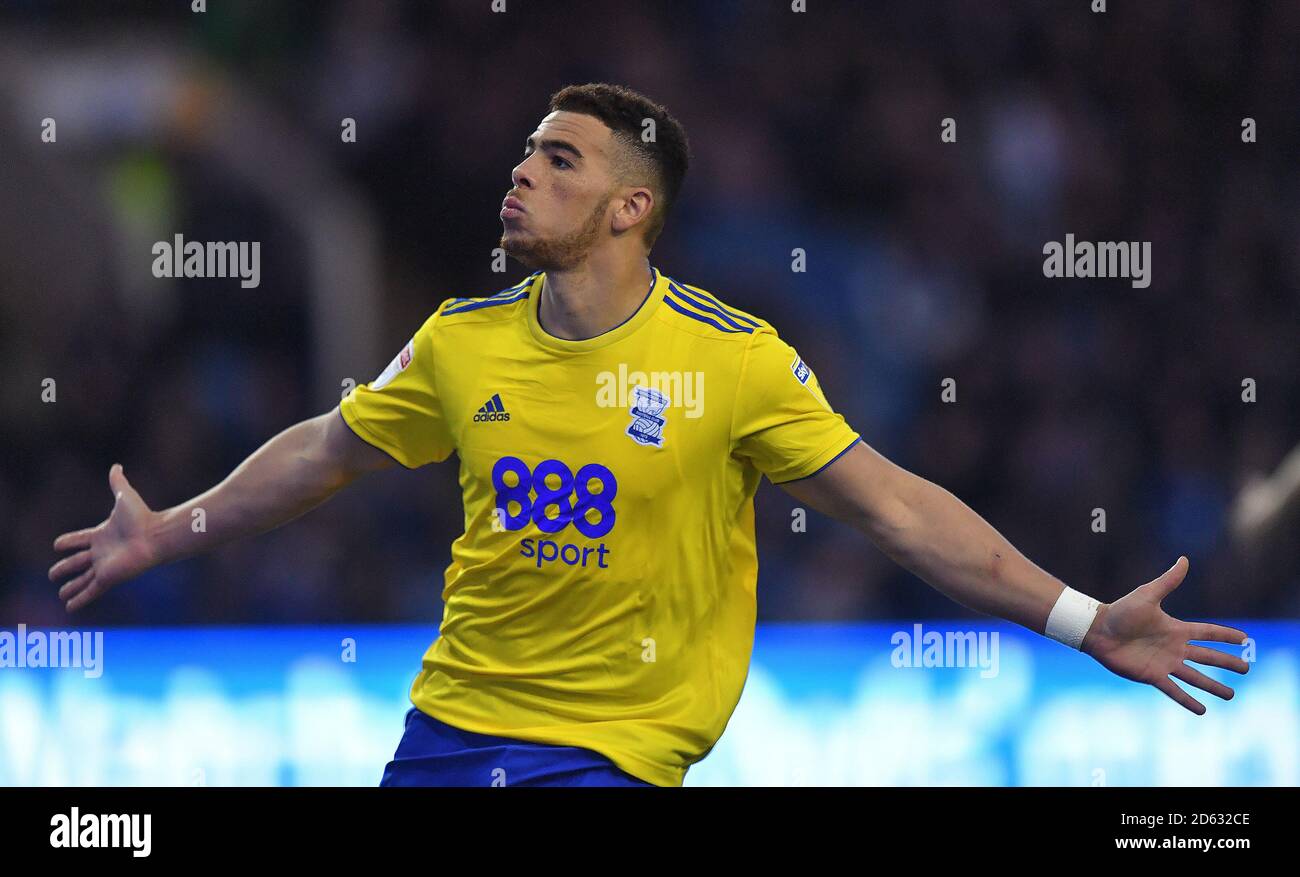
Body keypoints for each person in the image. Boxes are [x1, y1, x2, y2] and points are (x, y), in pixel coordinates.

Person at [49, 83, 1249, 788]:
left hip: (608, 759)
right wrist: (171, 528)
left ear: (631, 208)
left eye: (558, 159)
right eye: (526, 150)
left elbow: (896, 507)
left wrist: (1085, 621)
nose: (520, 172)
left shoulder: (730, 359)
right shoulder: (462, 341)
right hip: (445, 738)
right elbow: (328, 448)